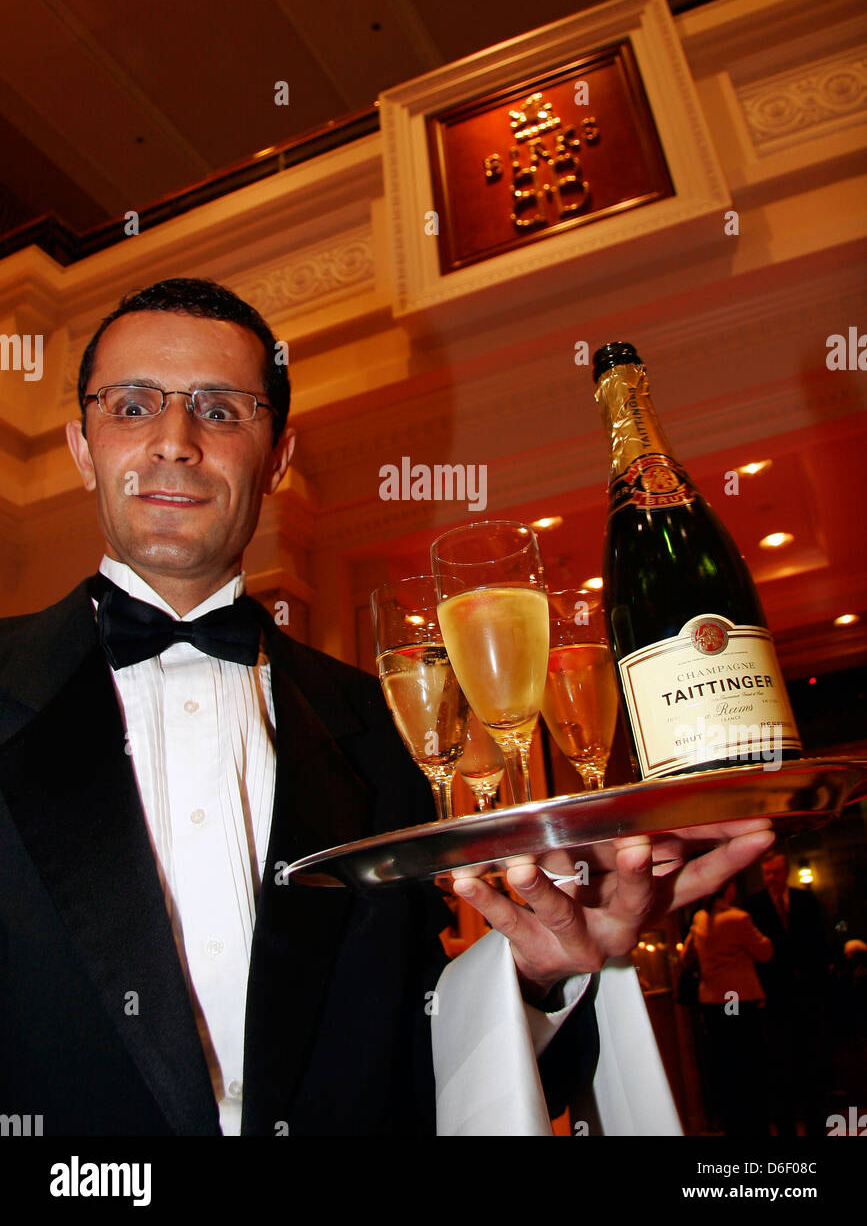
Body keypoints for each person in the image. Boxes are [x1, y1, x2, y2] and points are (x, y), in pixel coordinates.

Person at [0, 277, 776, 1136]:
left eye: (221, 411)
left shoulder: (378, 730)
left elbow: (418, 1059)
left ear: (279, 457)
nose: (175, 441)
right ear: (81, 448)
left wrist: (538, 978)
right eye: (133, 405)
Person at [747, 846, 831, 1136]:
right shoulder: (754, 906)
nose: (772, 877)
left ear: (787, 872)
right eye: (767, 873)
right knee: (781, 1066)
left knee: (814, 1062)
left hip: (808, 993)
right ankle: (784, 1127)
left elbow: (820, 940)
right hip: (775, 997)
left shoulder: (805, 900)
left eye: (777, 872)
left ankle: (816, 1124)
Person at [685, 879, 773, 1136]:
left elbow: (687, 954)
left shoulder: (700, 919)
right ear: (729, 889)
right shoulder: (737, 918)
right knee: (750, 1064)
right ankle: (755, 1125)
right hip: (740, 999)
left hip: (713, 1002)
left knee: (726, 1064)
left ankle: (733, 1123)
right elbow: (765, 952)